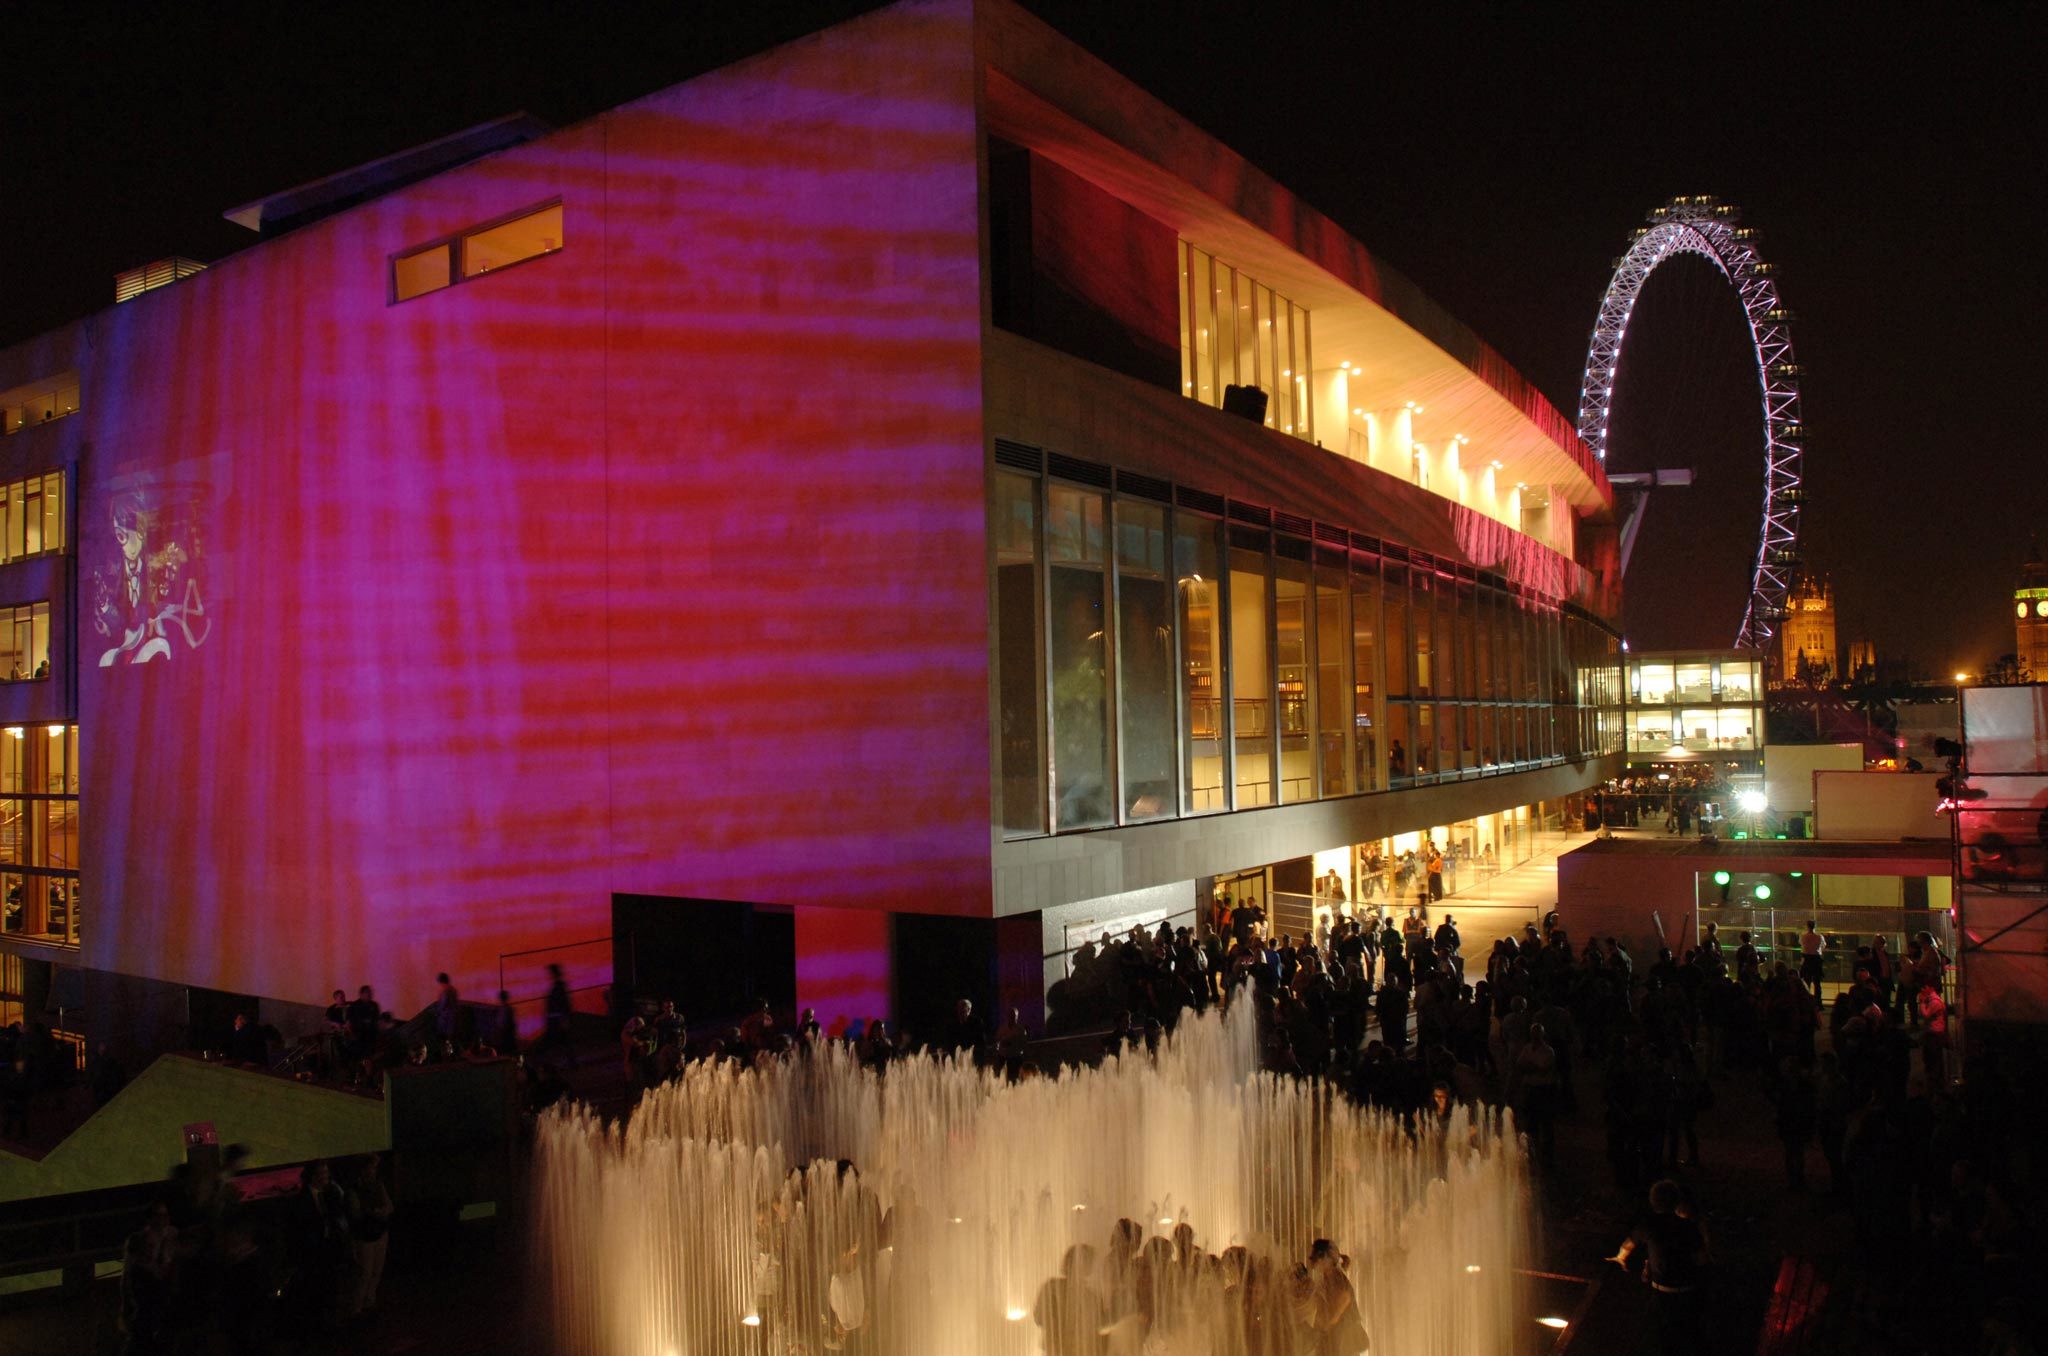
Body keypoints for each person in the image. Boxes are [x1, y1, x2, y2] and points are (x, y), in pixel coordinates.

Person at [1607, 1180, 1708, 1355]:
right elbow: (1701, 1259)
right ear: (1677, 1201)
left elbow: (1628, 1245)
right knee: (1688, 1333)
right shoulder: (1689, 1227)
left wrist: (1620, 1258)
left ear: (1653, 1201)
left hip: (1661, 1291)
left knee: (1663, 1335)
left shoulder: (1648, 1225)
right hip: (1687, 1290)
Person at [119, 1199, 179, 1352]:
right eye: (159, 1216)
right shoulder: (140, 1242)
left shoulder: (170, 1236)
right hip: (147, 1308)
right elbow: (132, 1277)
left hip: (159, 1309)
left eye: (165, 1215)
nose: (163, 1220)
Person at [347, 1153, 393, 1316]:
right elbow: (356, 1213)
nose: (373, 1171)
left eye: (374, 1168)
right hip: (364, 1235)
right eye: (371, 1167)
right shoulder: (354, 1189)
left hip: (379, 1231)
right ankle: (357, 1307)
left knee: (376, 1270)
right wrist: (377, 1212)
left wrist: (380, 1212)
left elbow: (389, 1206)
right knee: (365, 1272)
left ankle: (369, 1302)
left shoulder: (378, 1185)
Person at [1799, 921, 1826, 1003]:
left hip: (1807, 959)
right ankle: (1818, 1001)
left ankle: (1806, 1001)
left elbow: (1801, 944)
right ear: (1815, 926)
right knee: (1817, 983)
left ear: (1807, 926)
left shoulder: (1803, 936)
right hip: (1816, 960)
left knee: (1806, 982)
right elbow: (1823, 945)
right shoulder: (1819, 936)